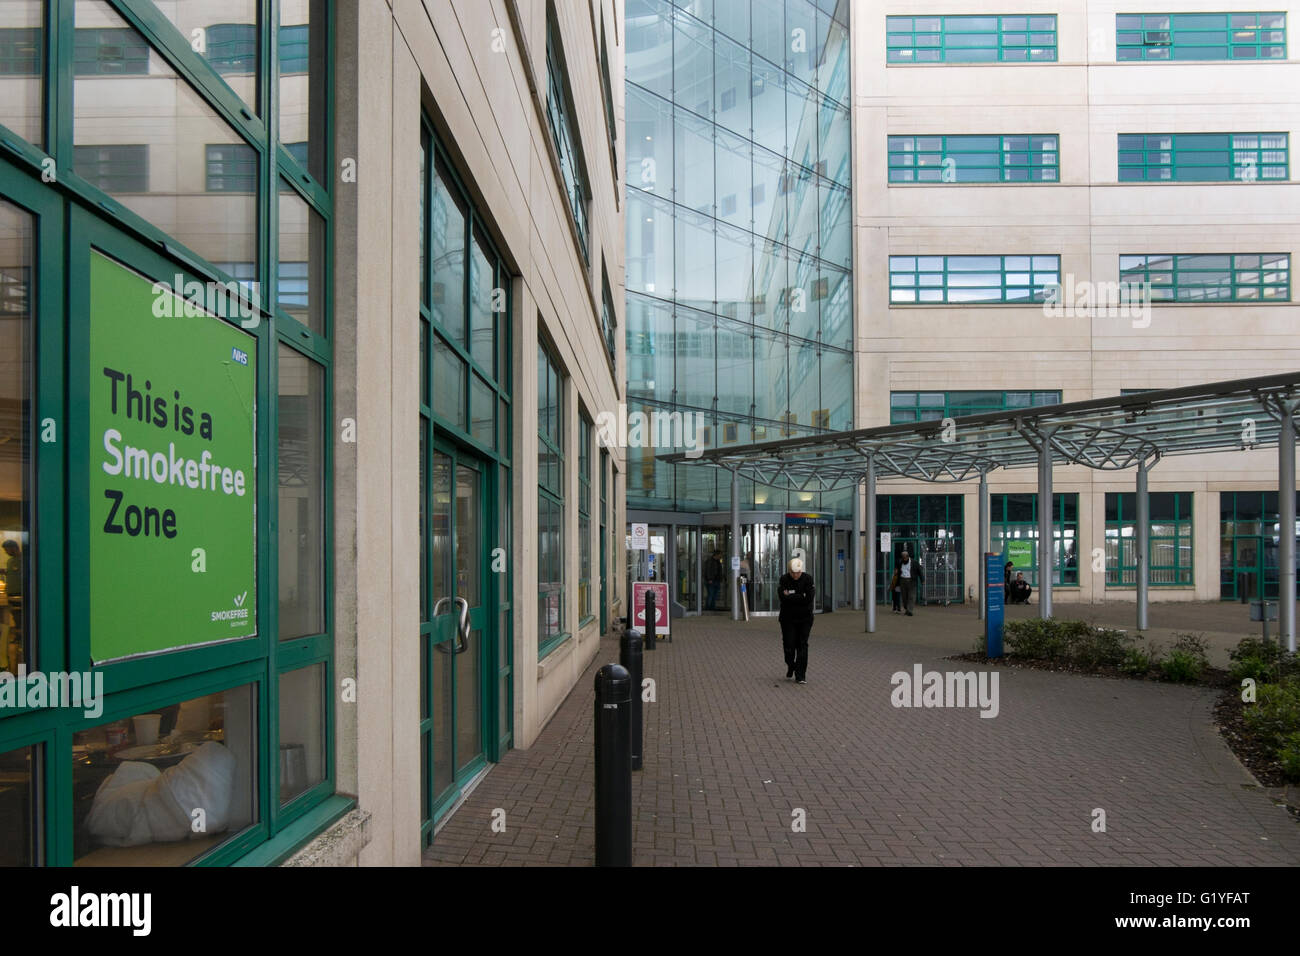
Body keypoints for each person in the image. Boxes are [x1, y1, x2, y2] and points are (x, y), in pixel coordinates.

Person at [778, 557, 815, 684]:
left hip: (805, 619)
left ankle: (800, 675)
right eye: (793, 572)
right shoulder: (784, 579)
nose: (795, 575)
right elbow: (783, 598)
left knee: (802, 645)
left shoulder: (808, 579)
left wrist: (791, 596)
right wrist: (800, 596)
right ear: (789, 571)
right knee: (789, 645)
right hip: (787, 619)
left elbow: (808, 598)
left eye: (798, 572)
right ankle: (791, 665)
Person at [897, 550, 922, 616]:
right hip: (902, 580)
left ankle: (910, 610)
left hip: (911, 581)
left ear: (908, 557)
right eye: (903, 557)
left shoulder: (914, 563)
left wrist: (922, 580)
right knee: (904, 597)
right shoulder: (900, 562)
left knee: (911, 596)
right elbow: (898, 572)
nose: (904, 559)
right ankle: (906, 608)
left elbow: (919, 571)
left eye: (905, 557)